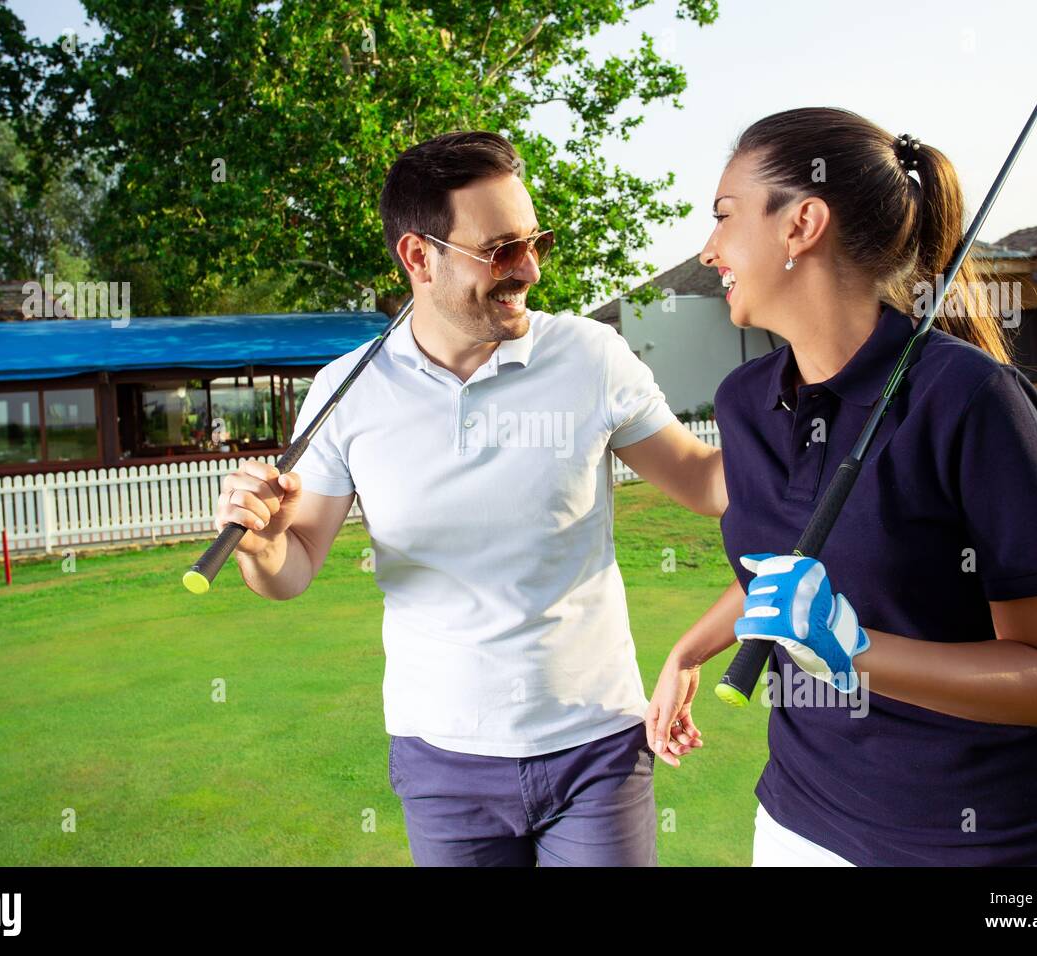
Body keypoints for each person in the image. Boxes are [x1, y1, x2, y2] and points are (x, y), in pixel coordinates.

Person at [215, 130, 727, 866]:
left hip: (596, 747)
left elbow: (707, 483)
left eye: (536, 242)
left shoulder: (590, 355)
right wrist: (262, 545)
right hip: (442, 761)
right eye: (500, 250)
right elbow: (290, 571)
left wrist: (823, 416)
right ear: (418, 257)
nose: (530, 270)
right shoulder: (344, 392)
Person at [646, 107, 1037, 866]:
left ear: (802, 223)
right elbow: (788, 569)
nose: (709, 250)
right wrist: (688, 650)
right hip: (800, 823)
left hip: (982, 844)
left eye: (724, 217)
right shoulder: (744, 400)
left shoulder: (971, 400)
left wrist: (856, 651)